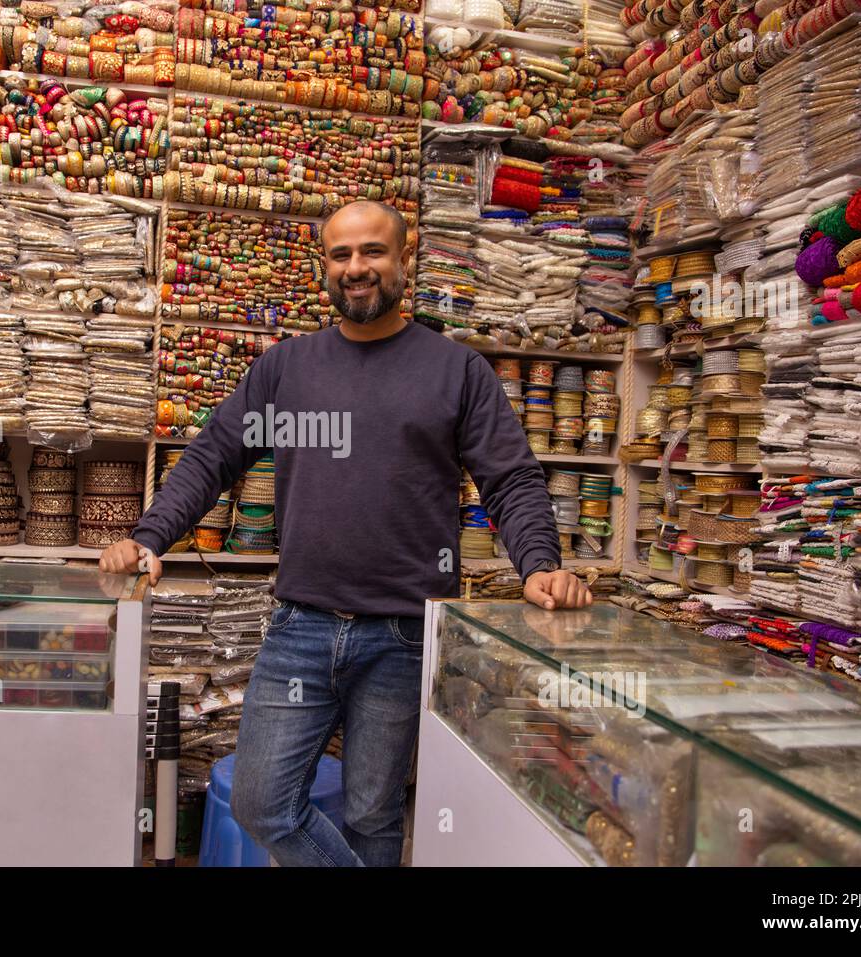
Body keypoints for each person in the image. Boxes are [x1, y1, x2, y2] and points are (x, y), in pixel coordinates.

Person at [100, 200, 592, 866]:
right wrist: (153, 534)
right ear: (324, 268)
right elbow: (215, 453)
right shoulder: (287, 368)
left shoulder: (456, 371)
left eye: (373, 251)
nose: (357, 268)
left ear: (404, 259)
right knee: (261, 800)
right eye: (341, 254)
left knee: (372, 813)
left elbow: (510, 478)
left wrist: (538, 563)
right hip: (300, 625)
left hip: (402, 632)